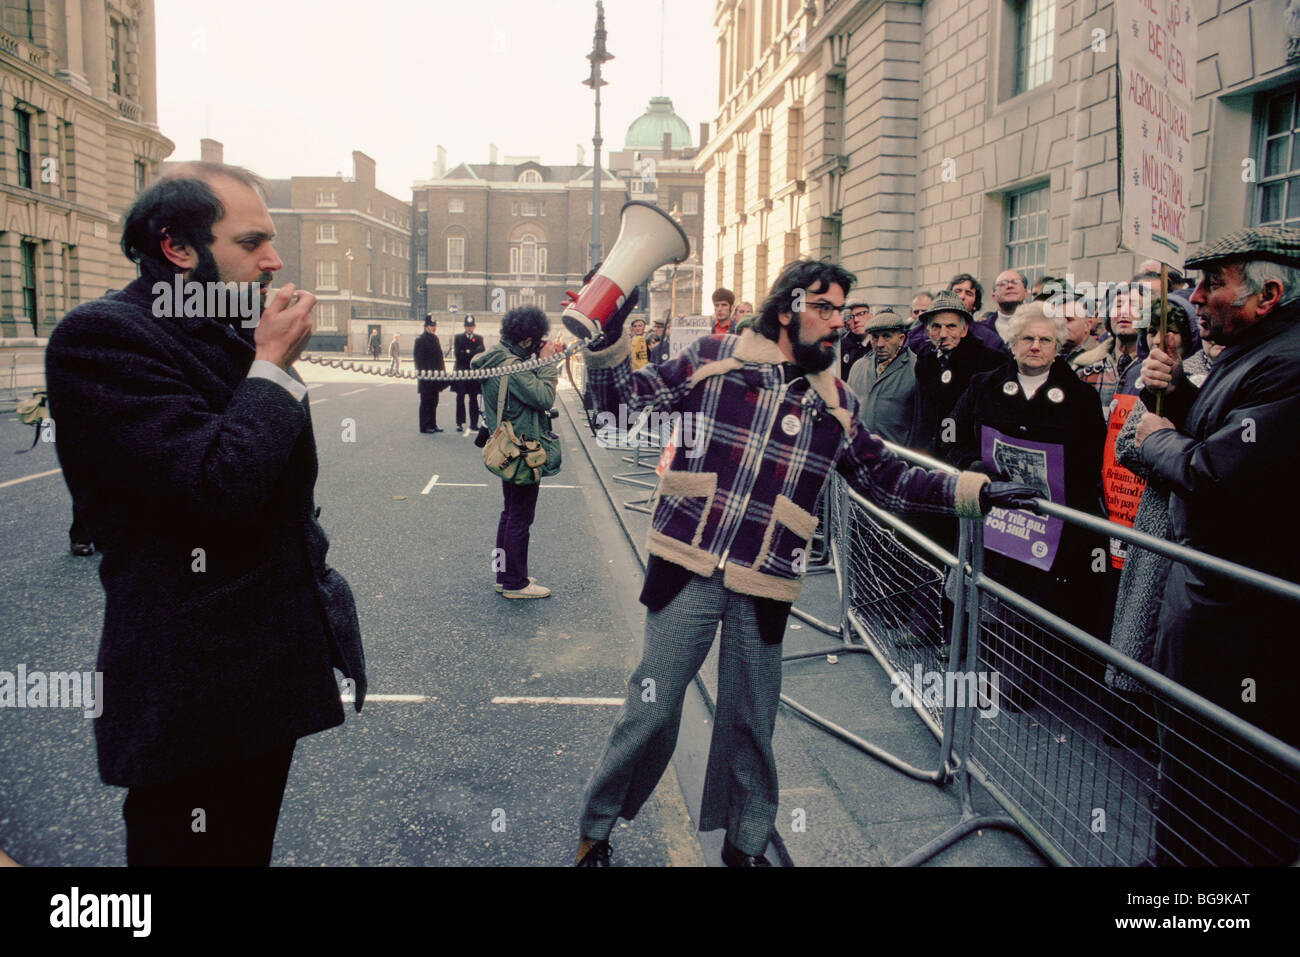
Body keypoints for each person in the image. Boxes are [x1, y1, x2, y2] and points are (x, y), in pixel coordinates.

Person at [573, 259, 1036, 867]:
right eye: (825, 308)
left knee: (750, 722)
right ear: (787, 307)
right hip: (686, 562)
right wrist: (606, 346)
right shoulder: (716, 357)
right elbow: (618, 416)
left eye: (843, 311)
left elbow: (885, 477)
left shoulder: (836, 399)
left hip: (766, 581)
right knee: (652, 707)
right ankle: (594, 834)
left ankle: (745, 845)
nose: (838, 322)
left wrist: (966, 490)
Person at [43, 161, 366, 866]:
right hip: (194, 689)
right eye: (251, 243)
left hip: (261, 674)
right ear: (177, 248)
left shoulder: (223, 330)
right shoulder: (103, 338)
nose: (274, 260)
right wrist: (275, 366)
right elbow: (214, 488)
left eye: (271, 241)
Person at [1134, 226, 1300, 866]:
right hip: (1212, 605)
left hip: (1243, 624)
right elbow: (1225, 428)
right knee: (1193, 759)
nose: (1194, 297)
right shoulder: (1257, 349)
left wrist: (1152, 438)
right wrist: (1173, 392)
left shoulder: (1288, 363)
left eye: (1212, 283)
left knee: (1227, 775)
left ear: (1268, 294)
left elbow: (1214, 471)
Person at [947, 301, 1107, 709]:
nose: (1035, 347)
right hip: (995, 515)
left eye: (1045, 340)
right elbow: (952, 437)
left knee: (1034, 605)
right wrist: (974, 467)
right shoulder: (984, 384)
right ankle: (983, 672)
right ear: (1012, 343)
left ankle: (1019, 684)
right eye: (1027, 339)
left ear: (1057, 347)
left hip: (1049, 523)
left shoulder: (1080, 397)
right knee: (990, 594)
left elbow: (1092, 461)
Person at [473, 306, 562, 599]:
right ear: (525, 341)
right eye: (535, 342)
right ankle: (515, 583)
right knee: (520, 516)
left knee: (509, 512)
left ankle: (505, 574)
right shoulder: (513, 366)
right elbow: (544, 396)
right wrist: (549, 363)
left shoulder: (499, 357)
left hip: (508, 447)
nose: (537, 347)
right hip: (523, 450)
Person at [913, 291, 1006, 457]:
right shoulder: (925, 359)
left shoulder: (989, 361)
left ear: (964, 330)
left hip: (965, 458)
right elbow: (921, 414)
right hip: (930, 455)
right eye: (936, 327)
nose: (943, 334)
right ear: (927, 332)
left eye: (951, 326)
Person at [846, 310, 922, 447]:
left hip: (898, 458)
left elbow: (920, 424)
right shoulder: (858, 366)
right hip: (860, 453)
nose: (880, 344)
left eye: (886, 337)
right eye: (875, 337)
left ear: (901, 339)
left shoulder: (917, 368)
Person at [1059, 293, 1119, 414]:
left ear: (1088, 325)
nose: (1061, 325)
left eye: (1069, 320)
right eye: (1057, 320)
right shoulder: (1049, 355)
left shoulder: (1101, 362)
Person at [973, 269, 1028, 350]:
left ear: (1025, 293)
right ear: (993, 296)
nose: (1010, 286)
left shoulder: (1039, 326)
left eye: (1015, 282)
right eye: (1003, 284)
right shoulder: (979, 330)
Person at [453, 315, 486, 433]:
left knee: (473, 398)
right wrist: (473, 352)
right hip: (461, 371)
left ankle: (473, 423)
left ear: (474, 327)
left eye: (471, 326)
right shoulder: (458, 338)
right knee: (460, 397)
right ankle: (460, 423)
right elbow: (458, 354)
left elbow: (481, 354)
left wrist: (467, 352)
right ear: (464, 327)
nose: (469, 329)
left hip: (473, 373)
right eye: (467, 326)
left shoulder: (479, 338)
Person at [414, 313, 447, 433]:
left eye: (434, 325)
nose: (433, 327)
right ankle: (424, 426)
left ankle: (433, 424)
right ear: (425, 326)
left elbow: (440, 358)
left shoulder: (435, 338)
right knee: (426, 401)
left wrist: (443, 373)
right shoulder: (420, 339)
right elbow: (418, 360)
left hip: (436, 378)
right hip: (426, 378)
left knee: (434, 401)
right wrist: (424, 375)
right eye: (431, 325)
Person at [838, 298, 872, 379]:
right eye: (850, 317)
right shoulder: (842, 346)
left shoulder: (880, 343)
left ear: (870, 316)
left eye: (861, 314)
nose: (856, 320)